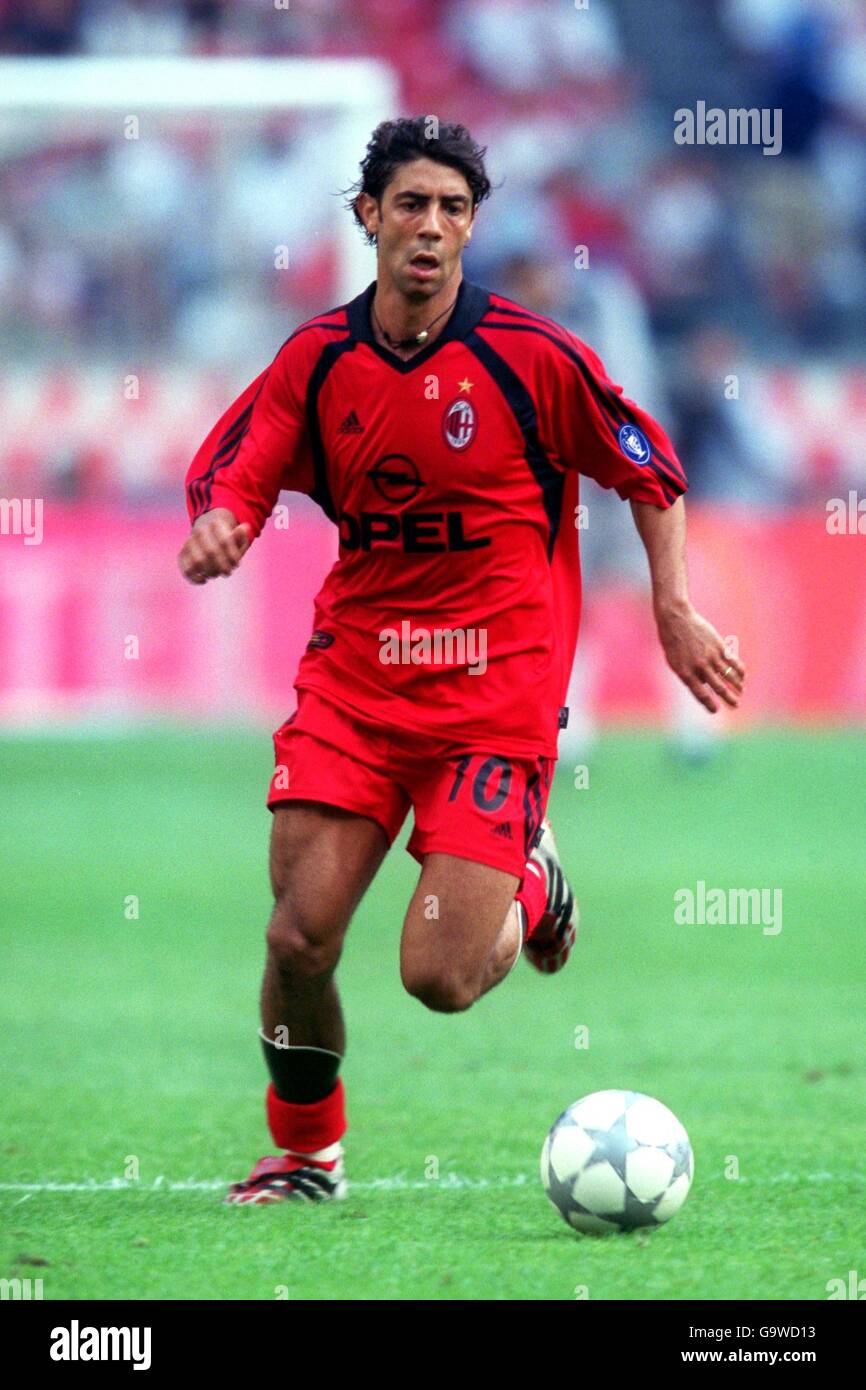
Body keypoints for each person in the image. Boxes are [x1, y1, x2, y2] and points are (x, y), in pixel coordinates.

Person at [178, 118, 745, 1205]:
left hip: (493, 699)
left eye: (449, 208)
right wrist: (224, 524)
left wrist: (671, 607)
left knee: (437, 977)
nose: (428, 226)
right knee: (297, 935)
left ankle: (530, 884)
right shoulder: (319, 358)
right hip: (354, 684)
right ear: (367, 218)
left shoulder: (528, 357)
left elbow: (649, 469)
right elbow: (235, 466)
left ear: (470, 225)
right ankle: (307, 1156)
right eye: (408, 204)